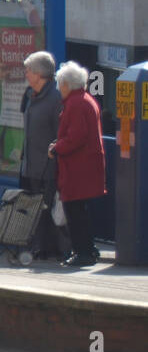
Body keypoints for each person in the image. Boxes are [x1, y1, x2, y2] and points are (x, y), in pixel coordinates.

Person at [48, 62, 106, 268]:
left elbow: (76, 137)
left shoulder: (76, 103)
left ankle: (83, 252)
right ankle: (87, 249)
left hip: (77, 169)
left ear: (67, 84)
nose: (58, 87)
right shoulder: (85, 100)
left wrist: (56, 148)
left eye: (60, 83)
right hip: (85, 167)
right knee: (79, 210)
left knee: (74, 211)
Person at [20, 51, 64, 259]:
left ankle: (51, 249)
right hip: (31, 165)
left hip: (48, 166)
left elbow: (60, 134)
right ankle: (40, 247)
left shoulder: (55, 99)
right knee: (37, 209)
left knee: (47, 209)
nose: (26, 74)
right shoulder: (31, 96)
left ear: (39, 73)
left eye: (28, 70)